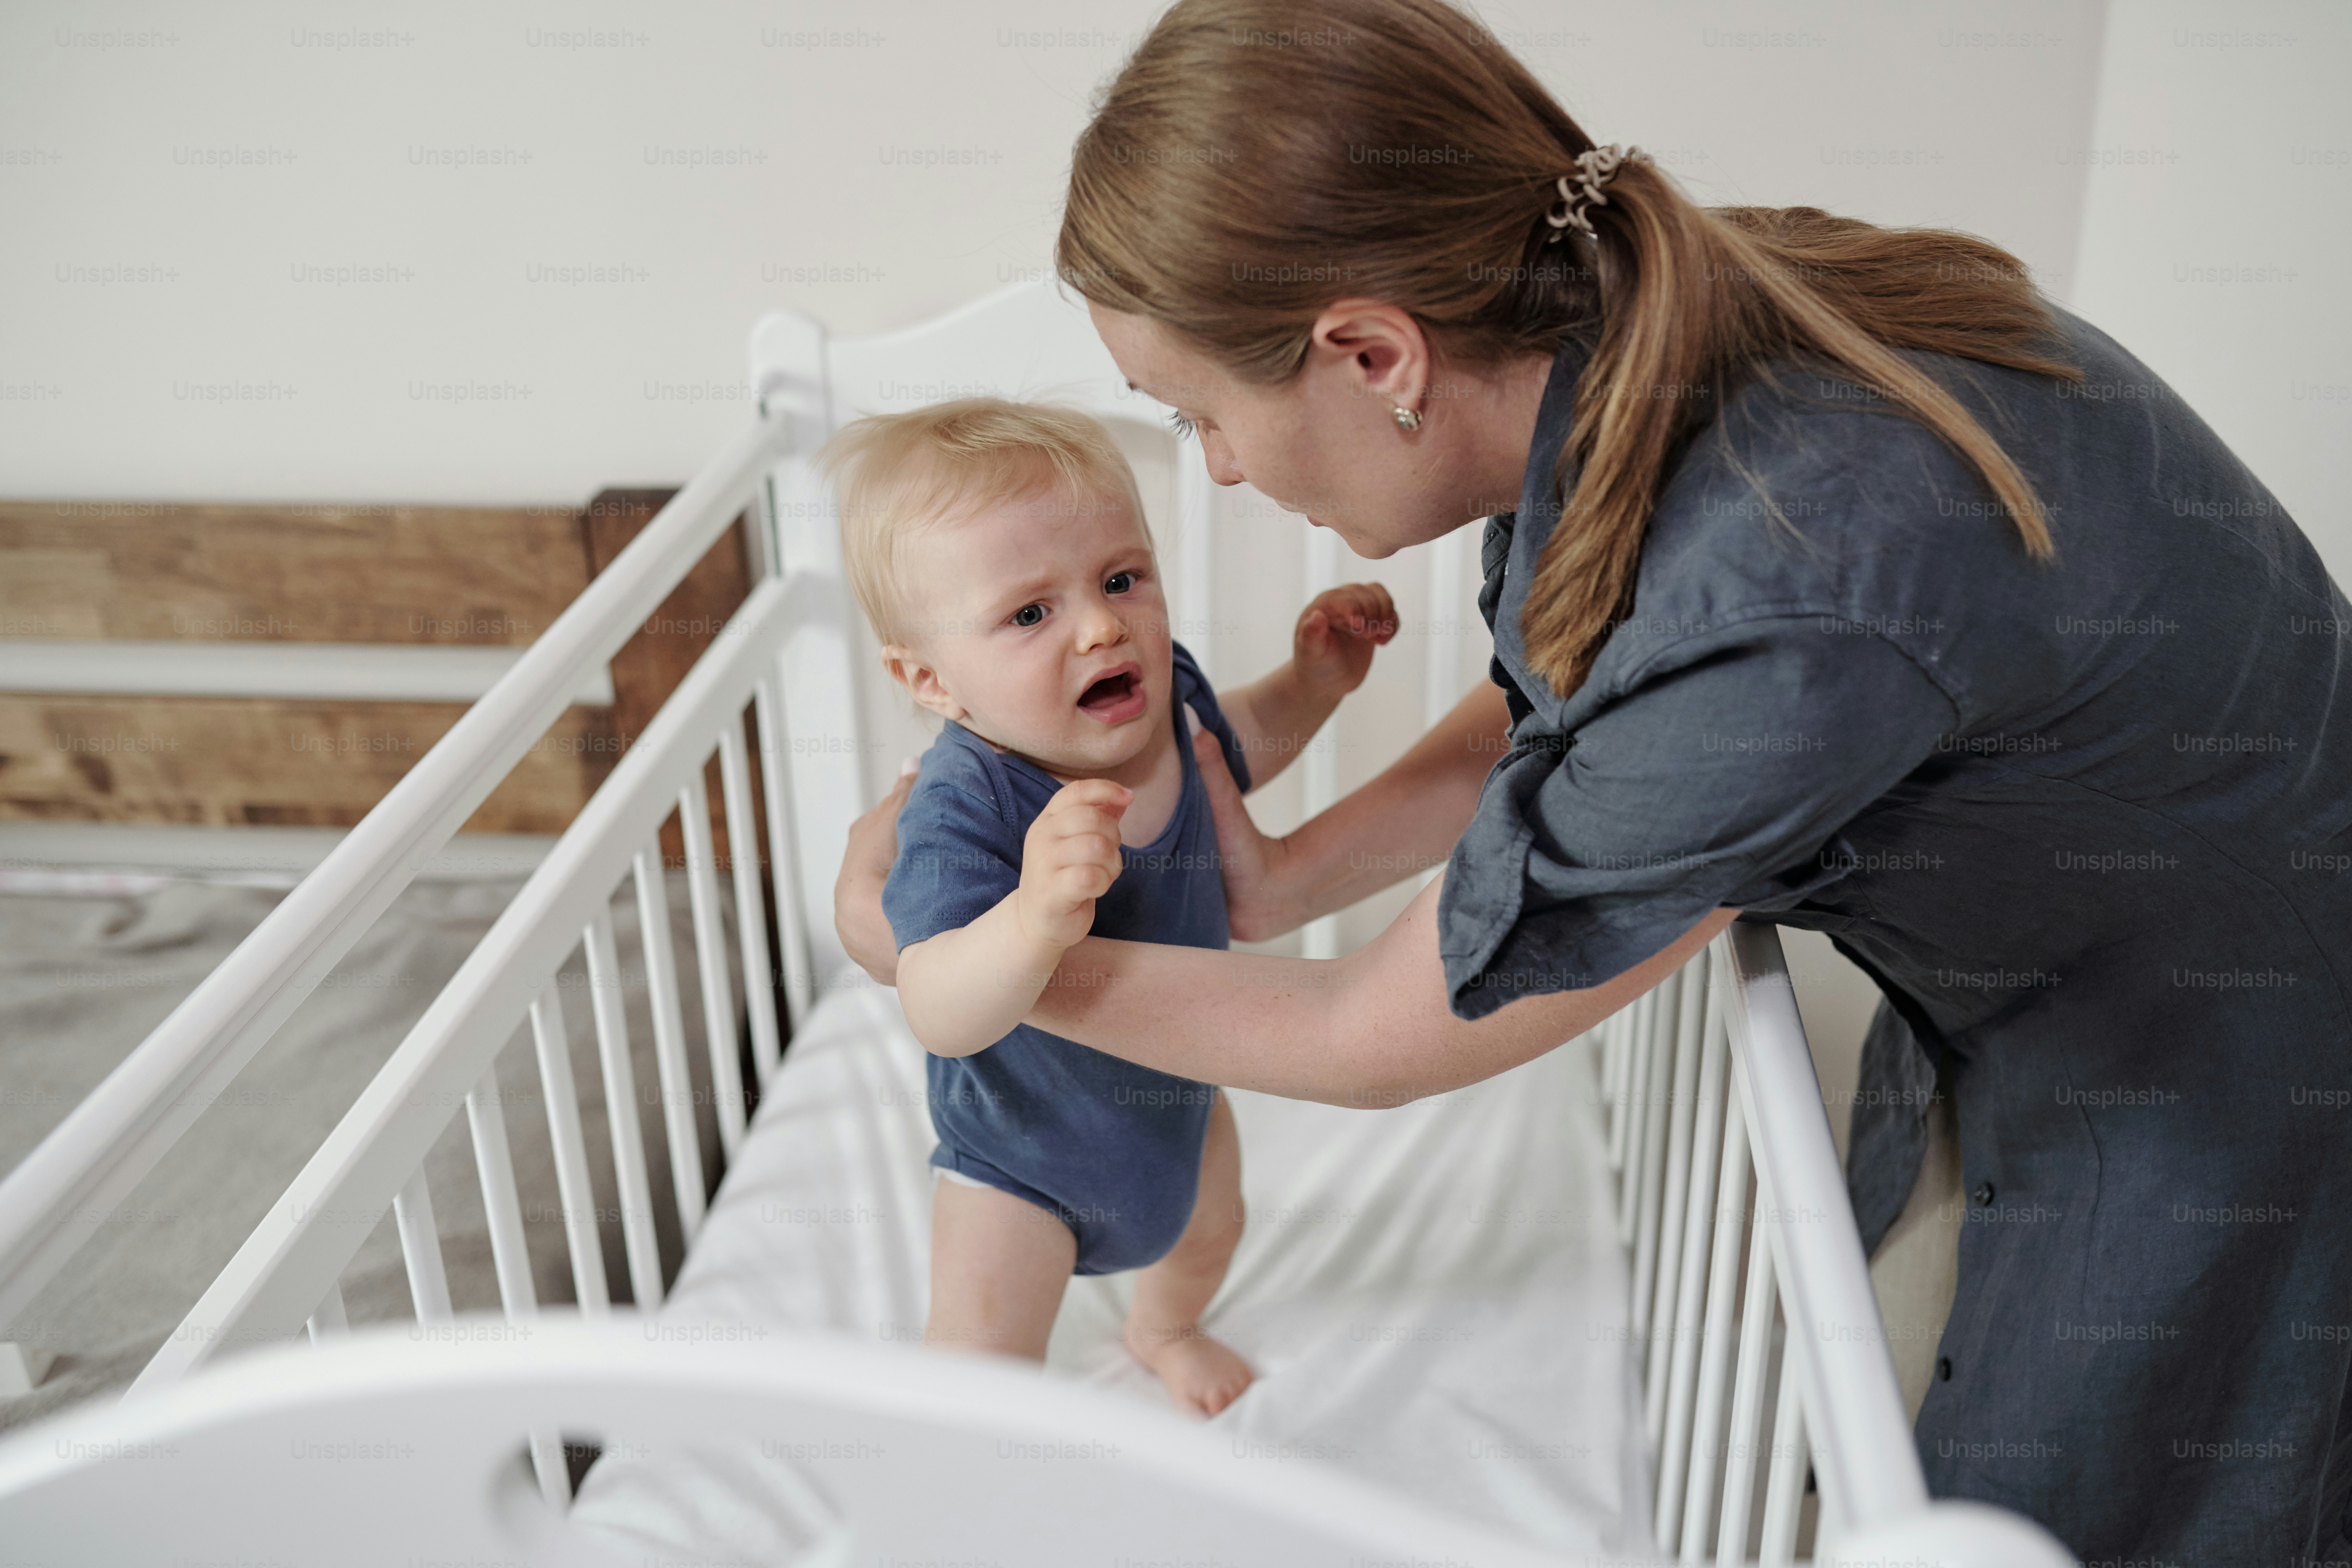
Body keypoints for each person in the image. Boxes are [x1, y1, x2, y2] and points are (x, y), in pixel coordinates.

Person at [832, 2, 2352, 1559]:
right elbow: (1597, 692)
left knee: (2097, 1507)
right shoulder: (1648, 320)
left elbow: (1376, 1030)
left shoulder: (1794, 573)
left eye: (1203, 416)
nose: (1216, 468)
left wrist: (966, 966)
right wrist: (1284, 876)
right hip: (2111, 902)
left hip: (2237, 1026)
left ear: (1373, 355)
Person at [819, 397, 1396, 1416]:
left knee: (1214, 1229)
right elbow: (938, 1003)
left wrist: (1314, 686)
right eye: (1031, 613)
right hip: (1022, 1157)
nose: (1101, 625)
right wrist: (1032, 915)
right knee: (977, 1371)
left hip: (1180, 1104)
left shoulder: (1163, 692)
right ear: (930, 679)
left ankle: (1161, 1325)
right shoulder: (971, 802)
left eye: (1121, 578)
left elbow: (1233, 751)